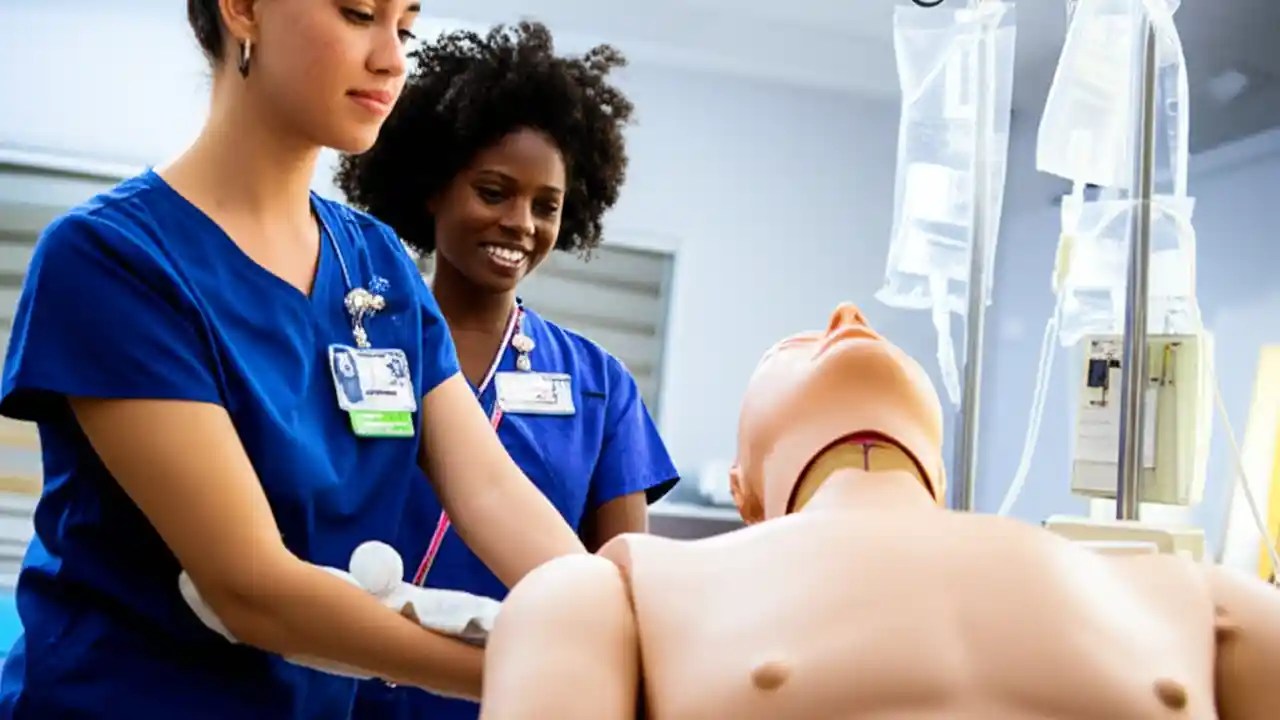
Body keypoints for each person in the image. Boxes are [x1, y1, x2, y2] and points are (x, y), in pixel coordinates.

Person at [0, 2, 587, 718]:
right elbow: (252, 590)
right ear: (243, 9)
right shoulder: (113, 261)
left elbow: (490, 492)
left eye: (404, 28)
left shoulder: (377, 266)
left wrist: (609, 621)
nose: (392, 58)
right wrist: (542, 673)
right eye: (358, 14)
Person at [478, 303, 1280, 719]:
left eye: (872, 331)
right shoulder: (610, 597)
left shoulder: (1208, 599)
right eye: (788, 348)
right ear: (743, 492)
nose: (848, 317)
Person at [335, 21, 680, 720]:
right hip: (332, 687)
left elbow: (620, 595)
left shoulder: (599, 386)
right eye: (494, 192)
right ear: (432, 189)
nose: (522, 223)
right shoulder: (353, 339)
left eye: (546, 205)